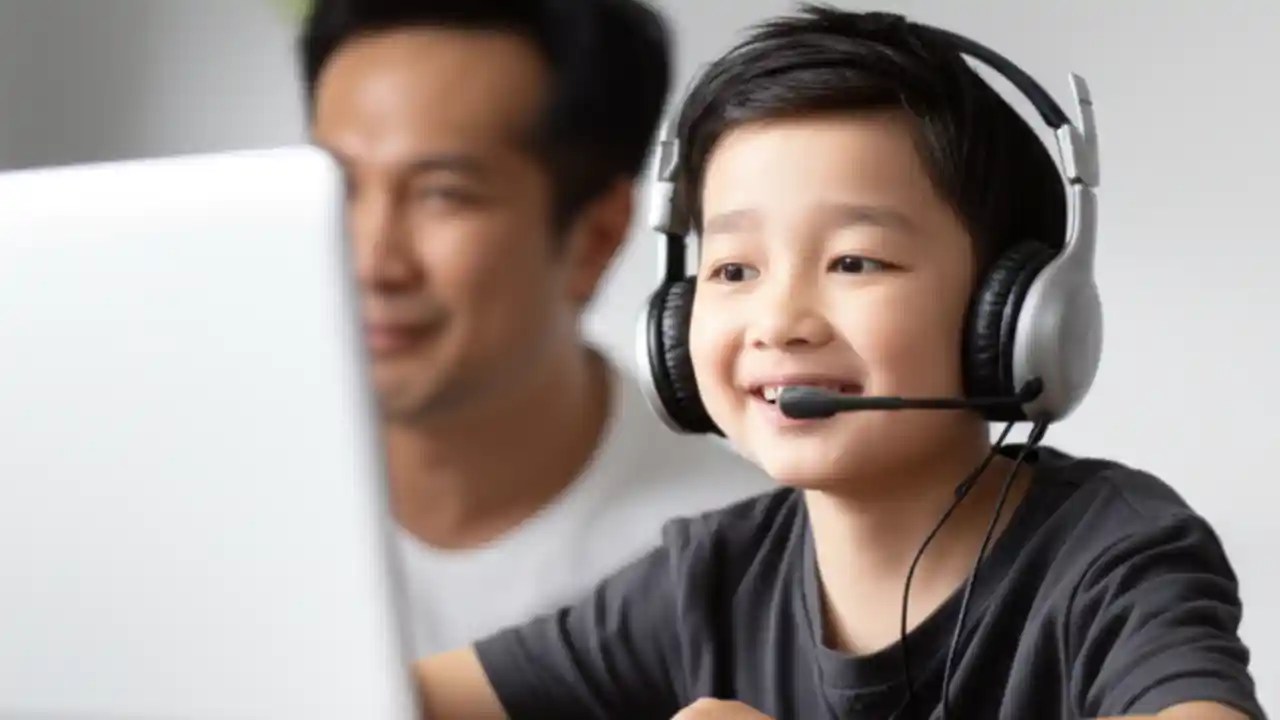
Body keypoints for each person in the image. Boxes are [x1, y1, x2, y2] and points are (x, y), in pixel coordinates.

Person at [409, 6, 1265, 720]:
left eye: (855, 262)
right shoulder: (706, 579)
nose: (779, 321)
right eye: (734, 270)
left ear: (1016, 314)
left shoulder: (1113, 556)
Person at [298, 0, 771, 658]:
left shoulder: (759, 570)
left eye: (443, 193)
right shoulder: (197, 511)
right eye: (336, 186)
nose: (373, 261)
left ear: (595, 238)